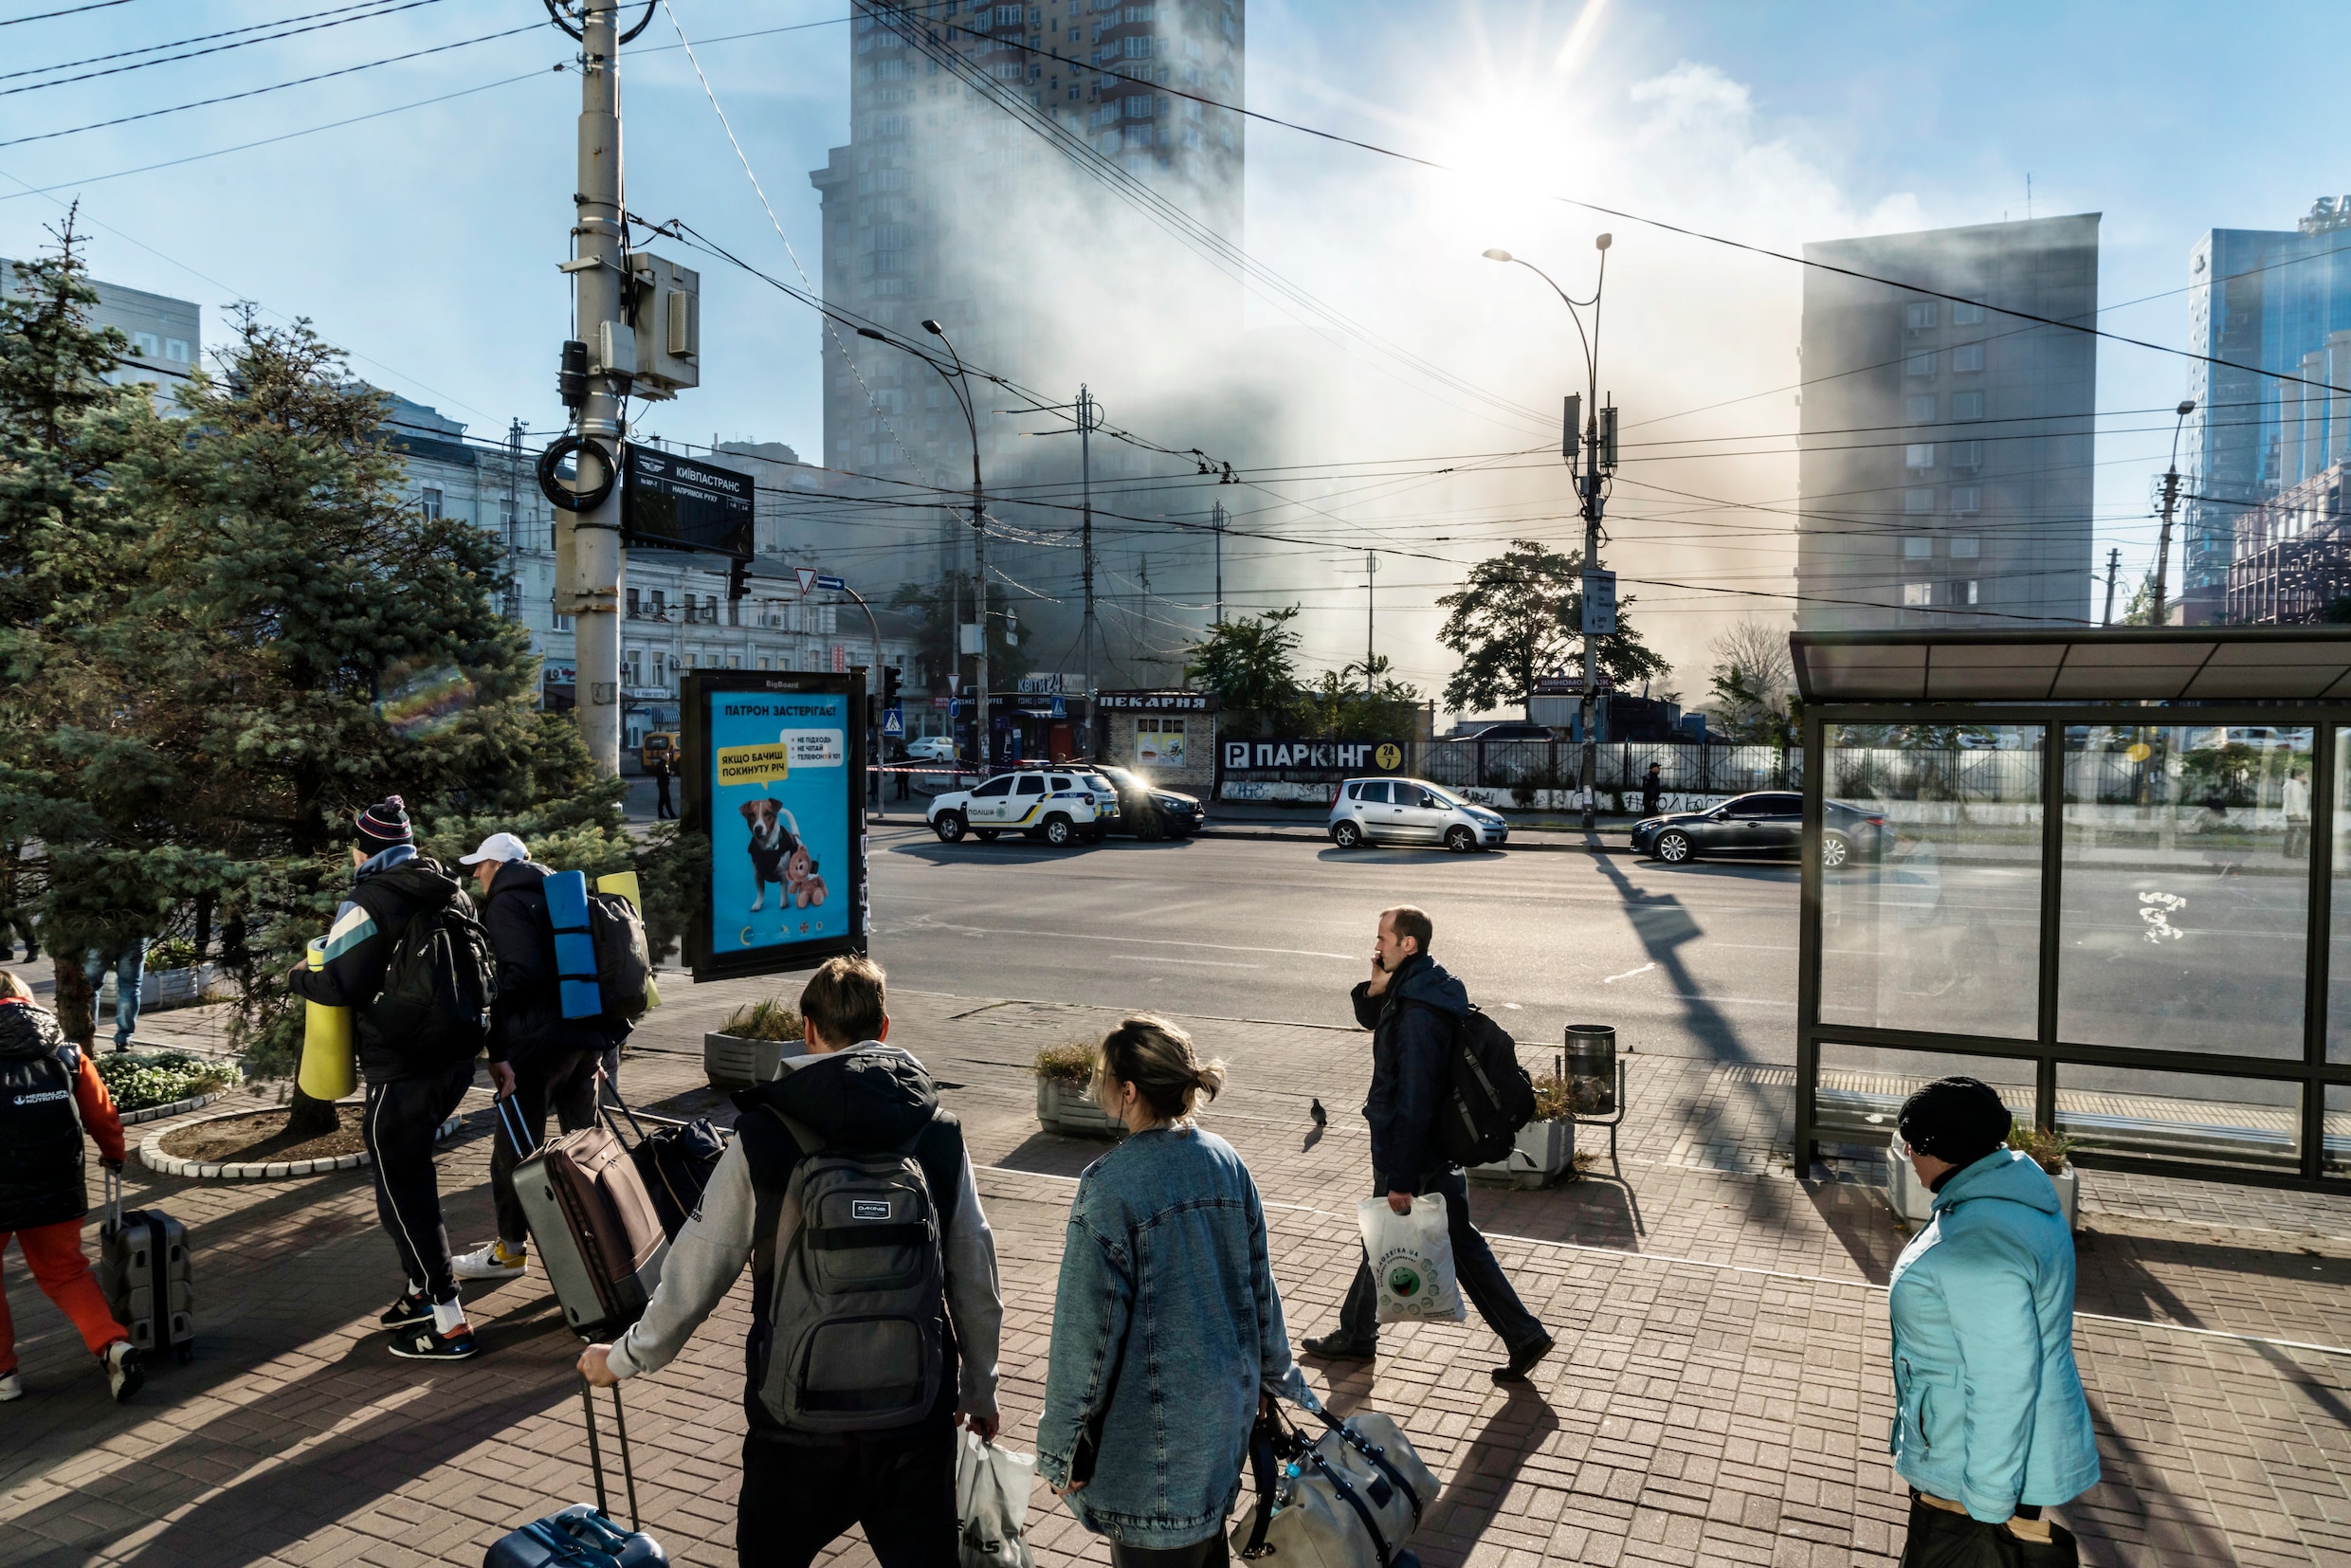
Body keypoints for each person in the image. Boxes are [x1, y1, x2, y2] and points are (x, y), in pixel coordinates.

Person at [578, 955, 1003, 1568]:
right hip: (915, 1415)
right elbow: (975, 1270)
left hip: (795, 1425)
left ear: (807, 1029)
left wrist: (624, 1358)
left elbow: (697, 1270)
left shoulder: (765, 1133)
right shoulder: (937, 1131)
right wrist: (980, 1388)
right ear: (884, 1029)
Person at [1038, 1016, 1309, 1568]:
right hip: (1223, 1418)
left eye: (1103, 1077)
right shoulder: (1225, 1161)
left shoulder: (1110, 1185)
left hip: (1149, 1442)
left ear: (1129, 1092)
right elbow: (1261, 1287)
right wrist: (1272, 1376)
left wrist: (1062, 1445)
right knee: (1205, 1547)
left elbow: (1087, 1336)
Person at [1302, 905, 1555, 1384]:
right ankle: (1523, 1335)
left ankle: (1357, 1335)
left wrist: (1400, 1177)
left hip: (1412, 1146)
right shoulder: (1419, 984)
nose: (1376, 946)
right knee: (1452, 1239)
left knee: (1384, 1238)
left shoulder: (1418, 1011)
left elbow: (1415, 1098)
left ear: (1409, 944)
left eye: (1383, 938)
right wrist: (1376, 985)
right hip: (1430, 1144)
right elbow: (1372, 1018)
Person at [286, 796, 485, 1361]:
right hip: (454, 1060)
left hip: (401, 1066)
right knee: (412, 1179)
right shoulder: (450, 889)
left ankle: (449, 1322)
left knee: (403, 1193)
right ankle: (421, 1292)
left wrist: (300, 977)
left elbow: (340, 984)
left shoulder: (367, 899)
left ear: (362, 850)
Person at [1887, 1078, 2098, 1562]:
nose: (1907, 1153)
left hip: (1972, 1463)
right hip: (1998, 1448)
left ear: (1936, 1148)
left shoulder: (1977, 1249)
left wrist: (1986, 1503)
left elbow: (2002, 1382)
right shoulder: (2012, 1197)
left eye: (1910, 1142)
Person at [450, 832, 627, 1284]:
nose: (476, 874)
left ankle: (510, 1251)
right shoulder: (560, 896)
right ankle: (608, 1240)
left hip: (538, 1045)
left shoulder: (506, 903)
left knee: (514, 1149)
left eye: (480, 865)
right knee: (586, 1142)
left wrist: (494, 1023)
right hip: (584, 1037)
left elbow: (523, 974)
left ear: (498, 866)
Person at [0, 971, 142, 1403]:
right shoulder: (66, 1051)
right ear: (25, 997)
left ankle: (4, 1375)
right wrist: (114, 1155)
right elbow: (102, 1114)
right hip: (57, 1181)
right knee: (65, 1273)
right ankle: (112, 1345)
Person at [84, 935, 149, 1052]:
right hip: (135, 933)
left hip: (102, 933)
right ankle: (123, 1039)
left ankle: (86, 1034)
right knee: (129, 989)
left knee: (90, 987)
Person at [2283, 767, 2311, 861]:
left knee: (2291, 832)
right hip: (2296, 813)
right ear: (2297, 776)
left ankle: (2287, 853)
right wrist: (2301, 814)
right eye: (2303, 775)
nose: (2304, 777)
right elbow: (2296, 801)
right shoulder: (2295, 785)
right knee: (2306, 830)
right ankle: (2297, 853)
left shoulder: (2290, 784)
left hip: (2290, 812)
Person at [652, 752, 677, 821]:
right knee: (667, 799)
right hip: (663, 784)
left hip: (663, 783)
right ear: (662, 756)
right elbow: (663, 774)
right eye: (666, 756)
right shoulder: (661, 764)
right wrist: (670, 774)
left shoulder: (664, 763)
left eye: (668, 756)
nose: (668, 757)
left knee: (662, 800)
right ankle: (672, 815)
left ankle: (661, 814)